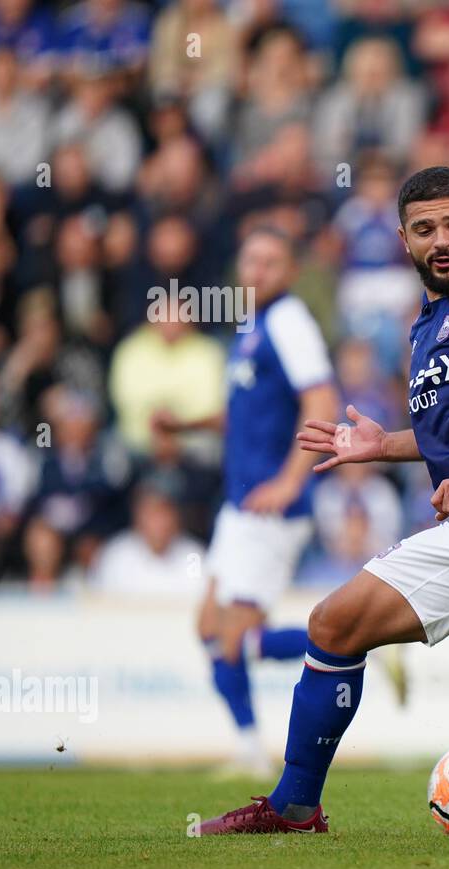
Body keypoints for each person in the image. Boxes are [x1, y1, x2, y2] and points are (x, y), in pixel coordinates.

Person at [196, 166, 449, 834]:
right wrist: (387, 446)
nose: (441, 239)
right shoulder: (427, 321)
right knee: (333, 626)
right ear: (402, 241)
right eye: (424, 228)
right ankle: (295, 806)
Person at [160, 227, 339, 776]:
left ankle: (365, 641)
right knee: (211, 630)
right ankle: (248, 747)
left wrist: (289, 480)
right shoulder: (252, 327)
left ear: (288, 272)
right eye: (251, 260)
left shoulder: (288, 321)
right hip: (239, 504)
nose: (258, 271)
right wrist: (187, 424)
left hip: (270, 505)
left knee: (232, 639)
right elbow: (243, 413)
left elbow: (322, 397)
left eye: (271, 261)